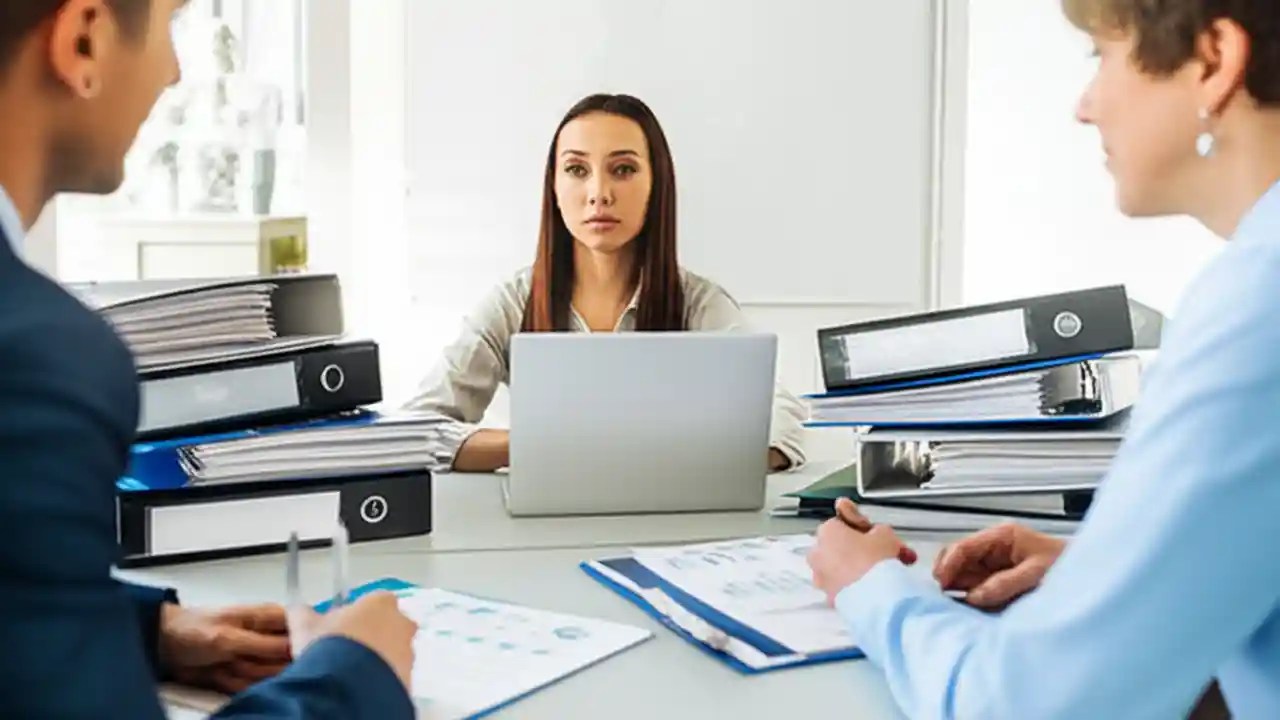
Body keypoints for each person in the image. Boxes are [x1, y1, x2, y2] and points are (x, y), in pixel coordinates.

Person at [806, 1, 1280, 718]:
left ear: (1213, 62)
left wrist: (871, 588)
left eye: (1101, 56)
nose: (1085, 108)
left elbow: (1020, 706)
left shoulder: (1258, 303)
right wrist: (1110, 577)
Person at [0, 1, 417, 717]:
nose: (172, 70)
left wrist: (144, 629)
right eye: (170, 26)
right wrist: (356, 674)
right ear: (84, 38)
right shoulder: (38, 357)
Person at [406, 93, 807, 474]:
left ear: (656, 184)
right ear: (555, 187)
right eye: (577, 170)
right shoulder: (514, 301)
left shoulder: (698, 304)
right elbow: (415, 432)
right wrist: (548, 445)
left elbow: (780, 423)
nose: (599, 194)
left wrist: (646, 451)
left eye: (623, 170)